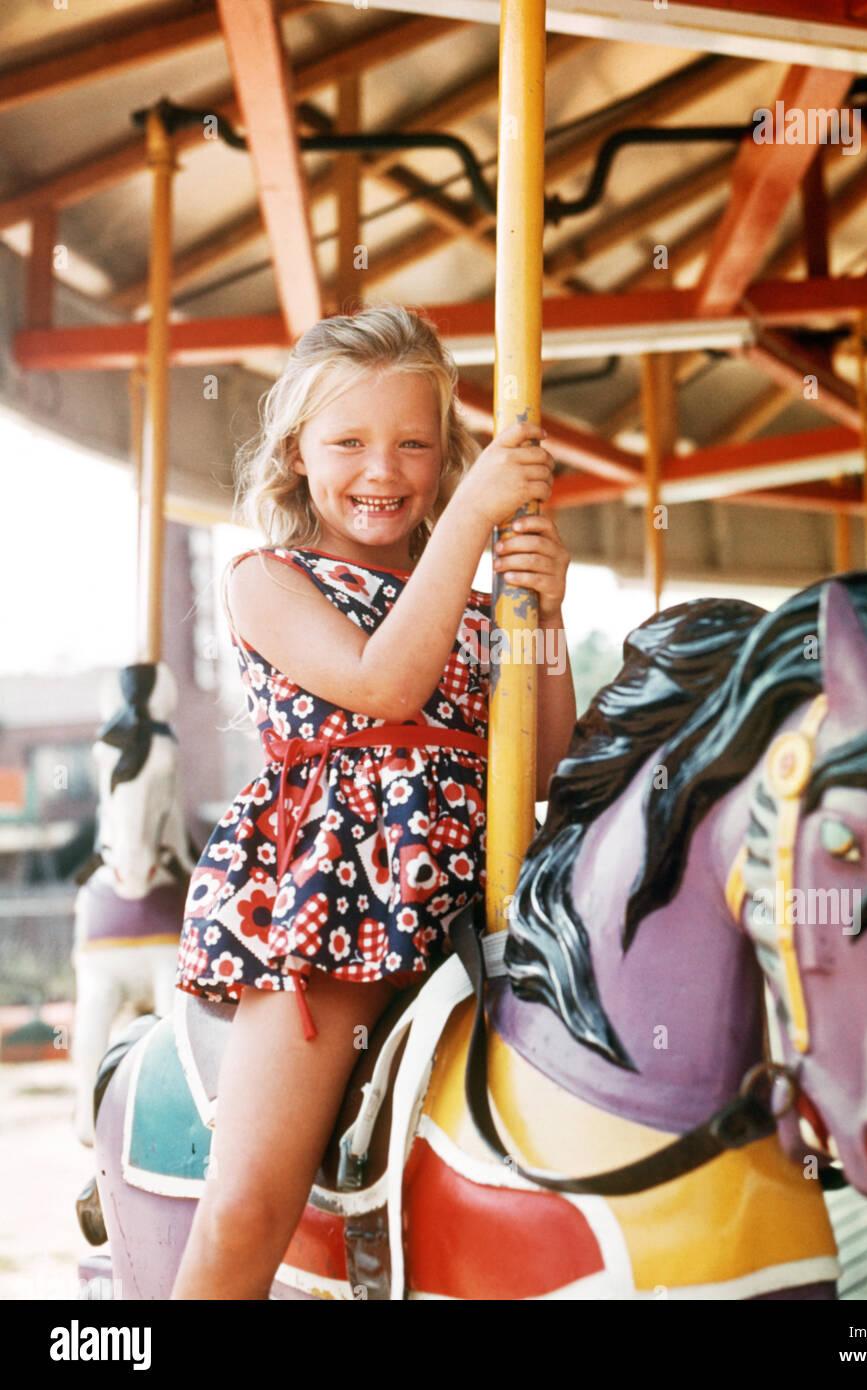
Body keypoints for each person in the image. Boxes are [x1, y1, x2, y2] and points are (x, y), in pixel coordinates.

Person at [171, 305, 576, 1298]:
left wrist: (546, 622)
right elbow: (386, 682)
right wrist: (474, 524)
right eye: (348, 442)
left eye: (415, 445)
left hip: (488, 889)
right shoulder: (268, 582)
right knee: (244, 1206)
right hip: (343, 899)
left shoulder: (478, 611)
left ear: (448, 456)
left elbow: (544, 758)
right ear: (297, 453)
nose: (382, 472)